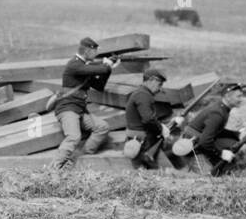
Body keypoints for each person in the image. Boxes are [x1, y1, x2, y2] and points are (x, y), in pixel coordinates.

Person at [53, 37, 117, 169]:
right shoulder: (74, 64)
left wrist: (109, 68)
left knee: (102, 127)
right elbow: (101, 69)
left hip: (79, 110)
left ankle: (81, 157)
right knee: (74, 137)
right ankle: (53, 169)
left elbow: (99, 86)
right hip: (68, 109)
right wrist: (107, 65)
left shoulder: (84, 67)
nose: (96, 54)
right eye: (95, 51)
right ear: (87, 51)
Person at [185, 82, 245, 175]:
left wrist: (239, 135)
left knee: (231, 144)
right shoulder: (218, 113)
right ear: (228, 97)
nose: (241, 99)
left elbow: (215, 131)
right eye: (238, 96)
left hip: (201, 144)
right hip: (192, 149)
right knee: (209, 176)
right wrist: (221, 153)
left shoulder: (223, 109)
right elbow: (205, 141)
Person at [124, 70, 172, 169]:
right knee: (149, 171)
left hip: (138, 138)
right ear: (151, 80)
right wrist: (161, 129)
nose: (160, 89)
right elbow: (148, 119)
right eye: (159, 84)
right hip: (142, 141)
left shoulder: (141, 93)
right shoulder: (143, 95)